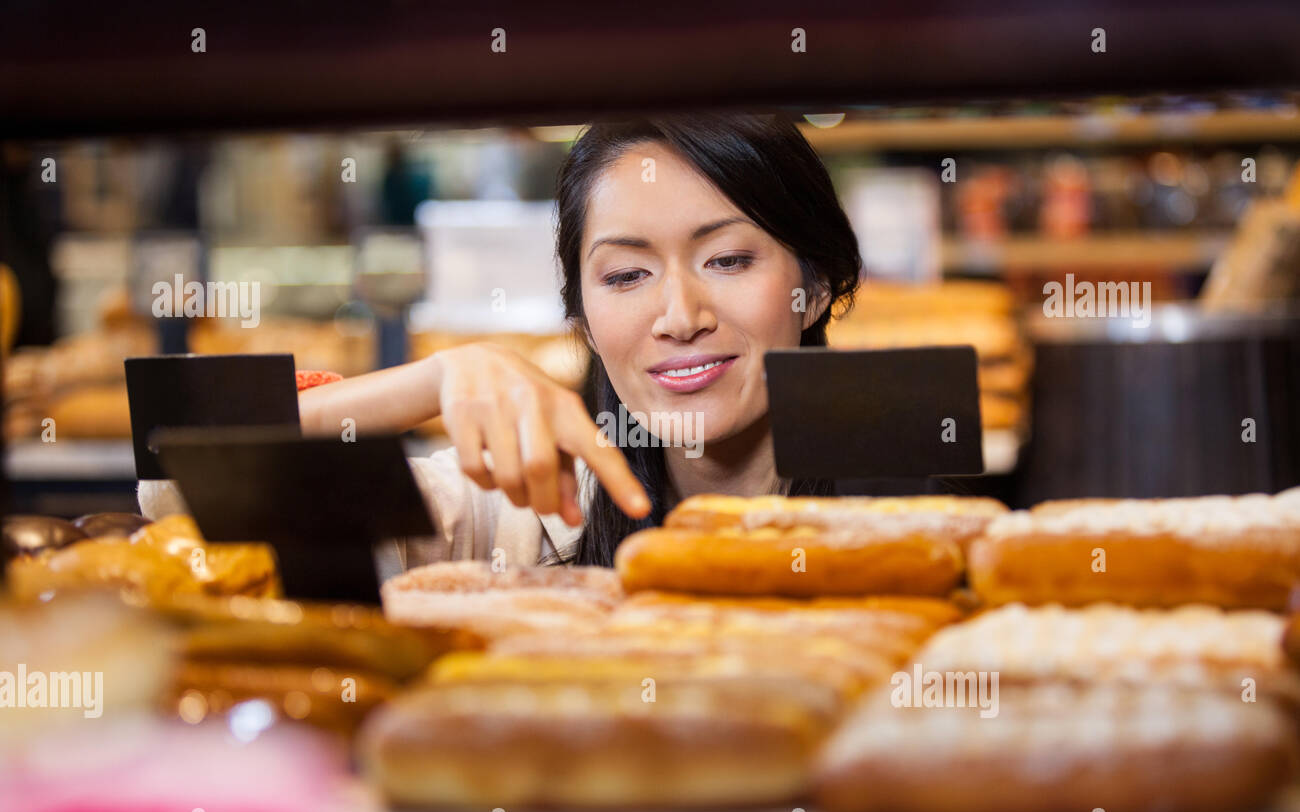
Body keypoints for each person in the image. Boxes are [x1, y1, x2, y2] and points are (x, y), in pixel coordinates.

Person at [142, 114, 863, 570]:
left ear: (819, 281)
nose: (679, 316)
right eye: (626, 275)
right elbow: (179, 475)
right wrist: (435, 379)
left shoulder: (915, 514)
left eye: (728, 261)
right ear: (579, 311)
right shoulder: (516, 515)